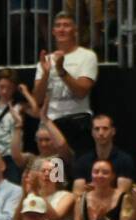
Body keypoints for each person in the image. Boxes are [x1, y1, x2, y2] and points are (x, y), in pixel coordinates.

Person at [31, 13, 99, 156]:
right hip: (51, 123)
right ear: (53, 31)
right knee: (54, 174)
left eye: (66, 25)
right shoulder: (45, 60)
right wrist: (46, 74)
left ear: (75, 30)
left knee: (77, 172)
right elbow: (36, 100)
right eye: (58, 26)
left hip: (77, 121)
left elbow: (81, 91)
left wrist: (61, 70)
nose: (62, 29)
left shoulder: (87, 56)